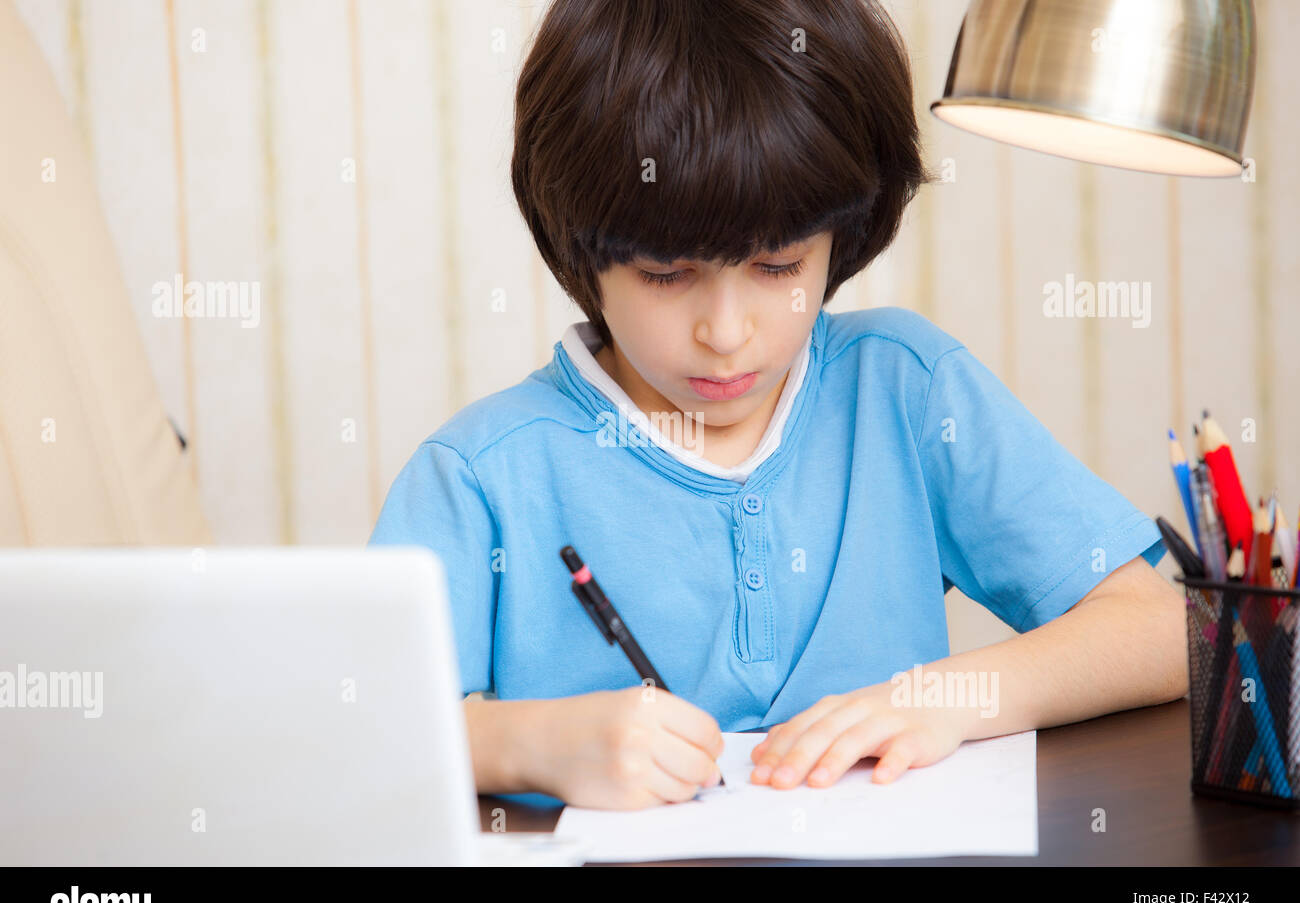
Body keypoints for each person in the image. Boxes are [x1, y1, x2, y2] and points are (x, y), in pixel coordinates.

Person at [370, 0, 1184, 810]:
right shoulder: (481, 475)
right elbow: (353, 731)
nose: (727, 333)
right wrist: (528, 748)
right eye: (664, 274)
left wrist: (943, 698)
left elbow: (1163, 633)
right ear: (579, 244)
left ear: (843, 237)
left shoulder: (904, 390)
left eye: (779, 266)